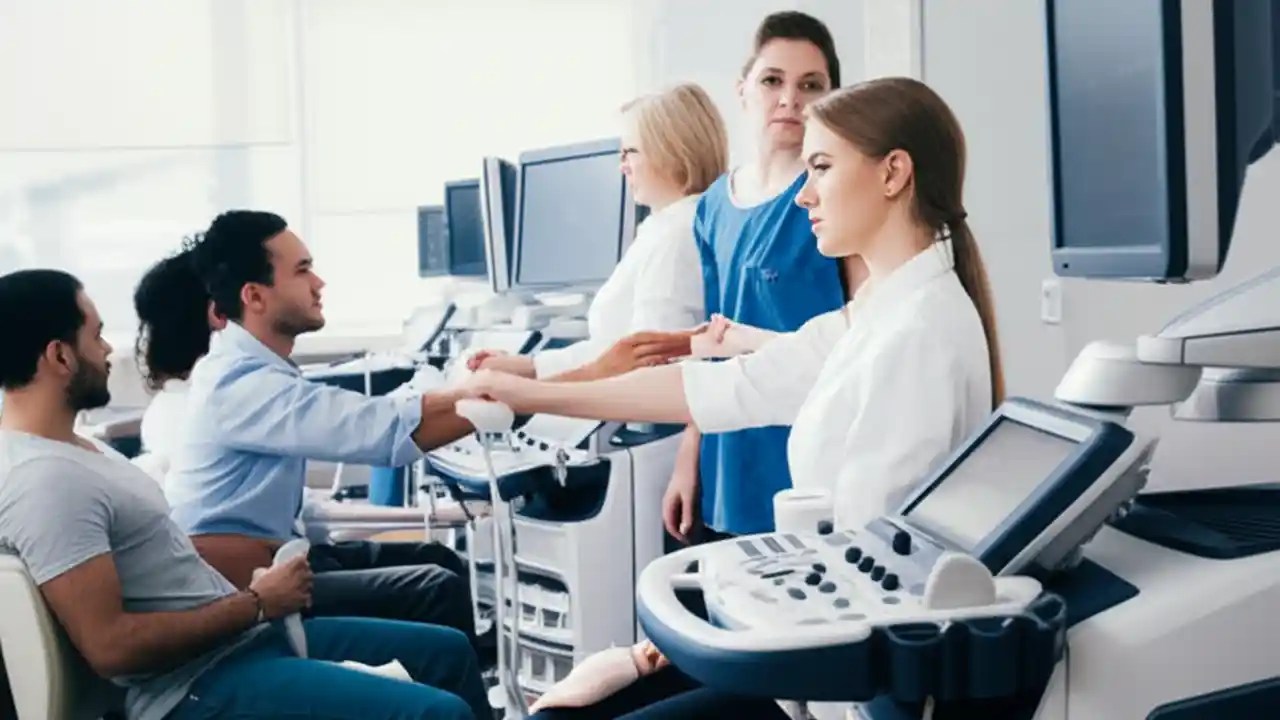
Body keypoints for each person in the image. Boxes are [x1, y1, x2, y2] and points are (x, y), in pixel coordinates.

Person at [466, 76, 1005, 718]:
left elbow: (867, 585)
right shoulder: (880, 312)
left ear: (893, 173)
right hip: (811, 659)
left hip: (836, 690)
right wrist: (532, 393)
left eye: (822, 167)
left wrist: (720, 631)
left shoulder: (918, 334)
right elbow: (718, 388)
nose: (804, 194)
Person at [0, 269, 489, 720]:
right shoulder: (46, 482)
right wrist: (257, 602)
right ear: (60, 356)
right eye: (96, 336)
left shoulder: (80, 451)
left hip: (240, 642)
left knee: (447, 651)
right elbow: (112, 648)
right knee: (437, 713)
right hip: (191, 686)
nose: (108, 349)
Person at [163, 211, 483, 643]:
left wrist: (467, 390)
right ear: (255, 296)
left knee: (439, 559)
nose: (319, 283)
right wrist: (502, 394)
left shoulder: (252, 369)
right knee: (435, 588)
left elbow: (375, 420)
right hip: (241, 588)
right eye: (302, 271)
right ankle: (454, 684)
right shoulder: (240, 384)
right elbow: (384, 433)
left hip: (278, 558)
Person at [667, 10, 851, 550]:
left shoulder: (835, 200)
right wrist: (688, 455)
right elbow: (710, 342)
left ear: (831, 98)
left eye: (810, 86)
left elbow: (860, 339)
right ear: (743, 88)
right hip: (727, 453)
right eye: (773, 80)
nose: (790, 99)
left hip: (806, 463)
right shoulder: (712, 207)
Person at [469, 82, 729, 381]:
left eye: (629, 152)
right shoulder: (668, 226)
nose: (622, 167)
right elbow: (613, 350)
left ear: (670, 151)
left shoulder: (677, 237)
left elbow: (647, 364)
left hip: (636, 401)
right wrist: (530, 367)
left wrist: (530, 385)